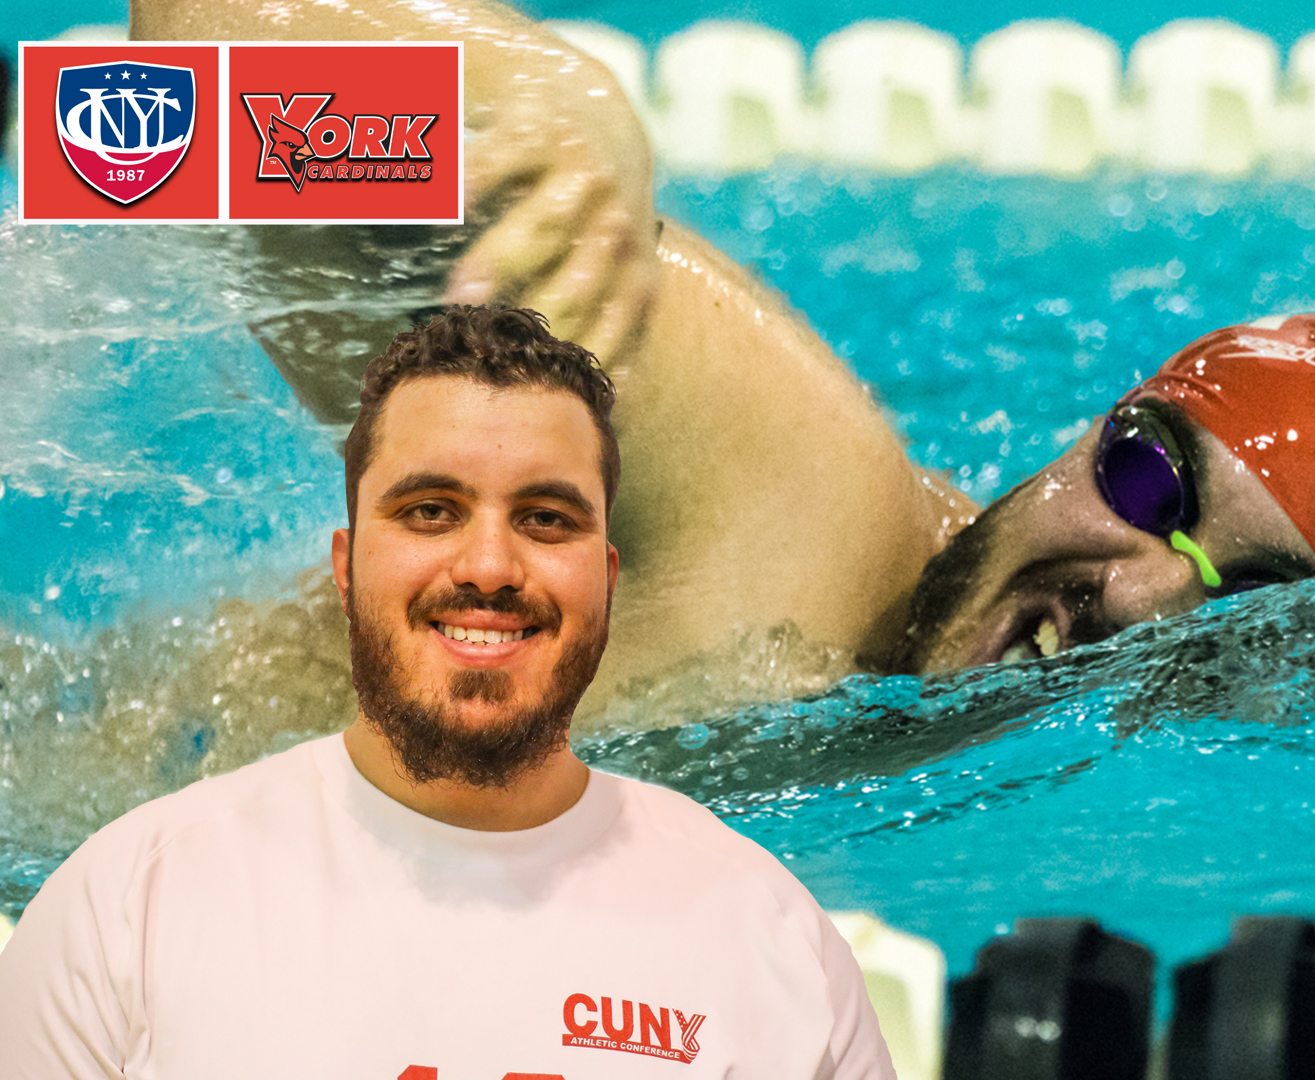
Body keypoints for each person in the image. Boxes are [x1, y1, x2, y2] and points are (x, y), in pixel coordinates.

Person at [127, 0, 1315, 728]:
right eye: (1154, 472)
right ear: (1097, 429)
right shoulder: (781, 498)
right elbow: (176, 81)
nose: (1141, 584)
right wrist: (524, 97)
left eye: (1258, 596)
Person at [0, 307, 897, 1079]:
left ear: (609, 577)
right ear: (347, 569)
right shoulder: (128, 910)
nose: (490, 568)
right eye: (431, 510)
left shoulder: (767, 940)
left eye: (546, 519)